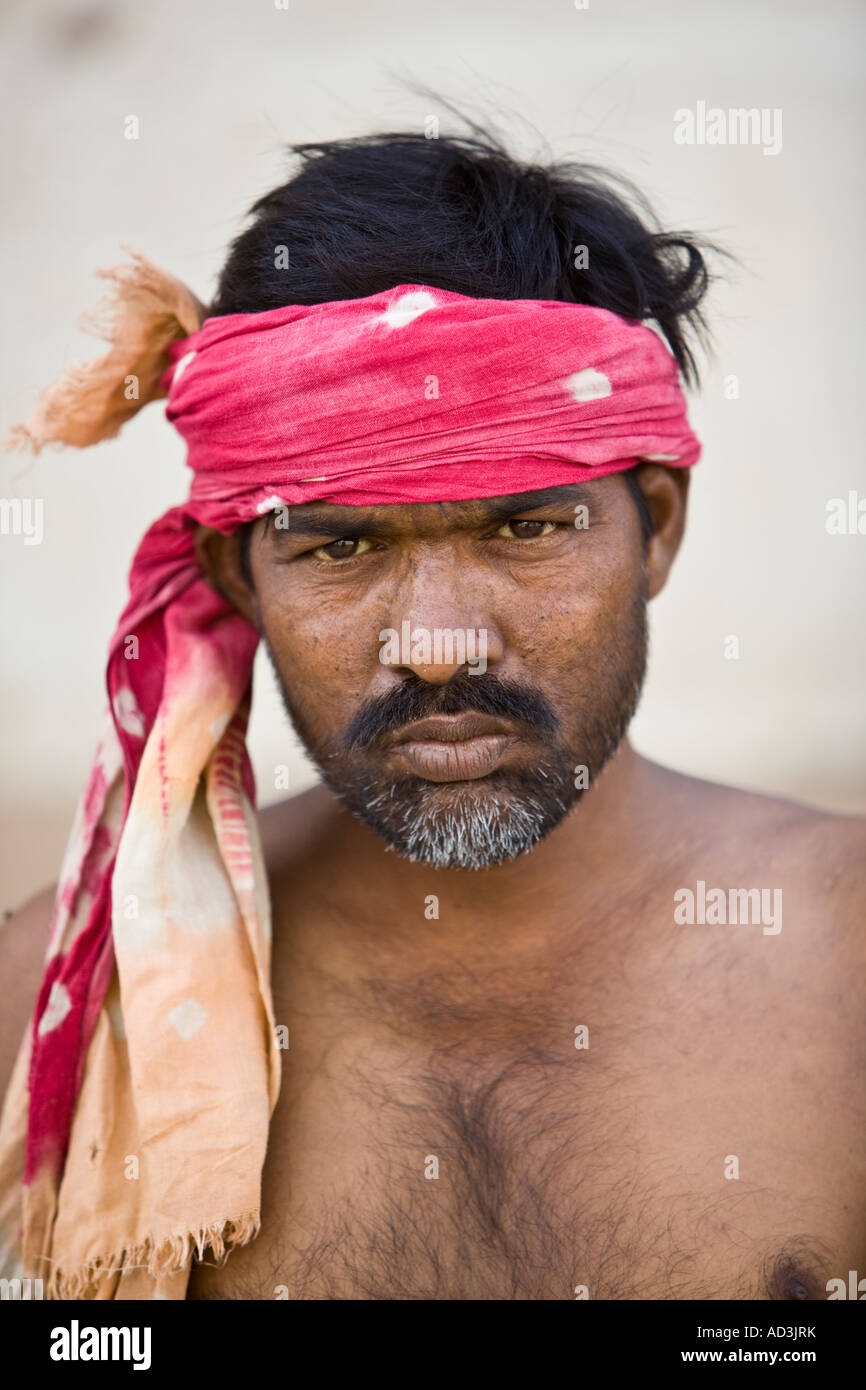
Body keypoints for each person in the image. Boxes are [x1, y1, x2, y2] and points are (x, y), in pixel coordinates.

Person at [1, 124, 863, 1302]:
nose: (438, 644)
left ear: (654, 525)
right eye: (340, 544)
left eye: (524, 528)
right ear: (235, 569)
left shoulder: (845, 958)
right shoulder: (64, 1000)